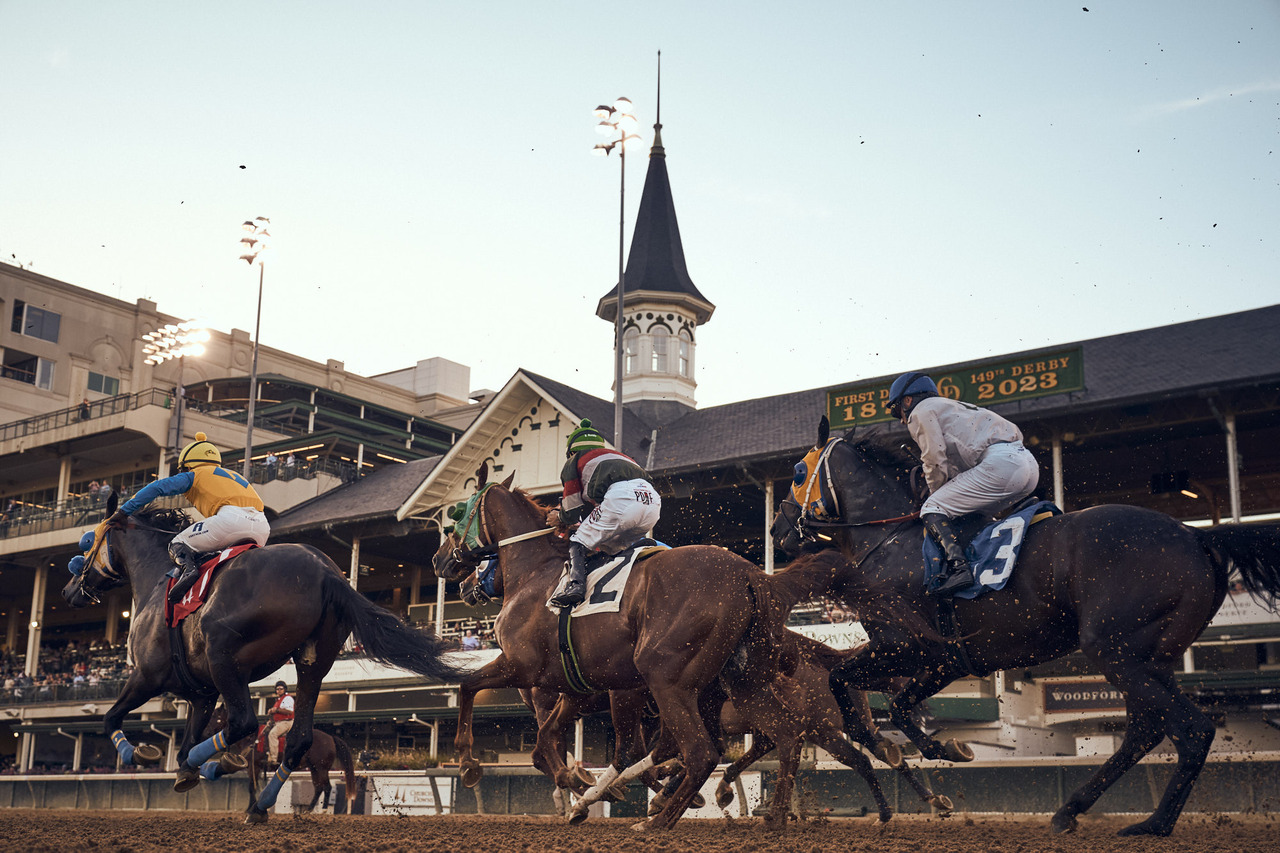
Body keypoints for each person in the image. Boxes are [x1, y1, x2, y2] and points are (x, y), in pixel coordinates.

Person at [887, 372, 1040, 596]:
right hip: (1027, 464)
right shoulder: (951, 406)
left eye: (896, 410)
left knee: (933, 508)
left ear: (907, 400)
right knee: (971, 513)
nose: (901, 419)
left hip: (1001, 465)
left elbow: (934, 458)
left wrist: (935, 495)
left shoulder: (920, 412)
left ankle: (960, 569)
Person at [108, 432, 269, 603]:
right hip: (262, 527)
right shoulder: (235, 476)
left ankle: (188, 571)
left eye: (182, 470)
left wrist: (124, 512)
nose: (181, 473)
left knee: (178, 543)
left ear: (188, 466)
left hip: (230, 522)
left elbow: (156, 488)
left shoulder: (194, 474)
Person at [546, 419, 661, 608]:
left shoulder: (574, 461)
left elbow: (571, 512)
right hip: (652, 502)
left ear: (572, 451)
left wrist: (558, 517)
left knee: (578, 541)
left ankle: (575, 587)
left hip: (621, 500)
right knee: (612, 548)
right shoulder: (621, 457)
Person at [265, 680, 294, 768]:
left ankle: (274, 759)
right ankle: (268, 754)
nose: (279, 691)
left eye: (281, 689)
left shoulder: (287, 698)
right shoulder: (279, 700)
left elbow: (289, 711)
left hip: (287, 722)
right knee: (264, 731)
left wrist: (276, 710)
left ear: (284, 689)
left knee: (272, 734)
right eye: (277, 689)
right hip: (278, 722)